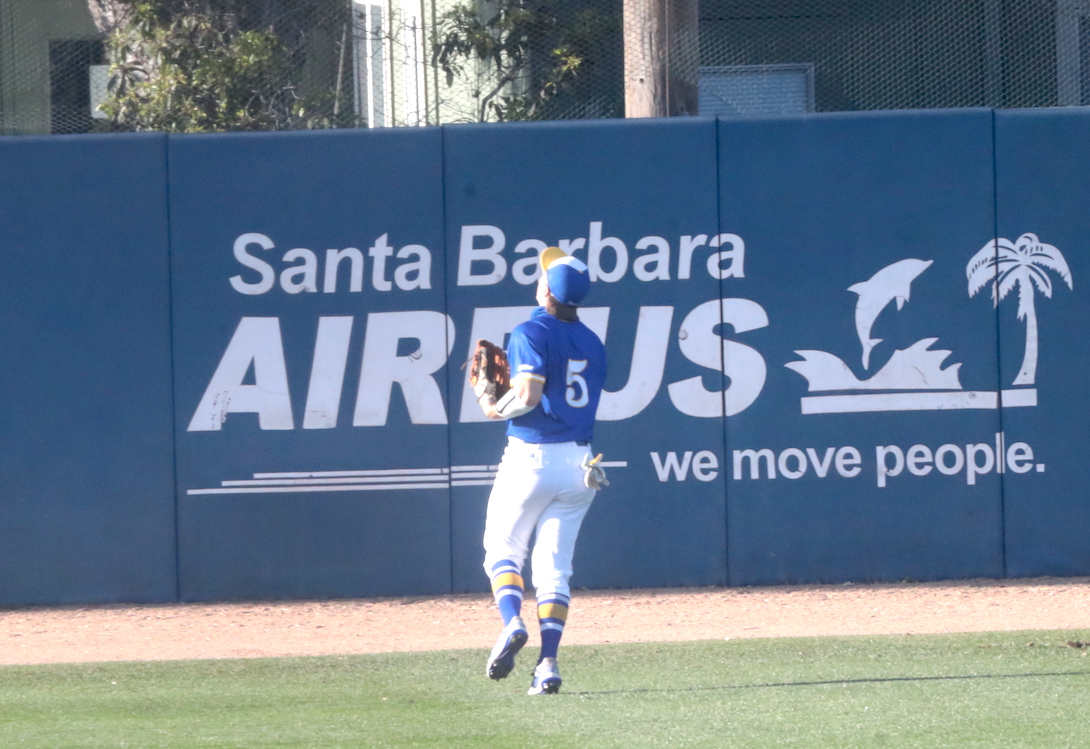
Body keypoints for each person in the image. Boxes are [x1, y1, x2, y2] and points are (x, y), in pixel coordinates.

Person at [474, 246, 607, 696]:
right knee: (554, 570)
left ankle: (512, 623)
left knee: (503, 551)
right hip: (581, 465)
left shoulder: (530, 329)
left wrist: (494, 408)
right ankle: (547, 664)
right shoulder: (593, 341)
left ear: (545, 289)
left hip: (532, 457)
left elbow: (528, 394)